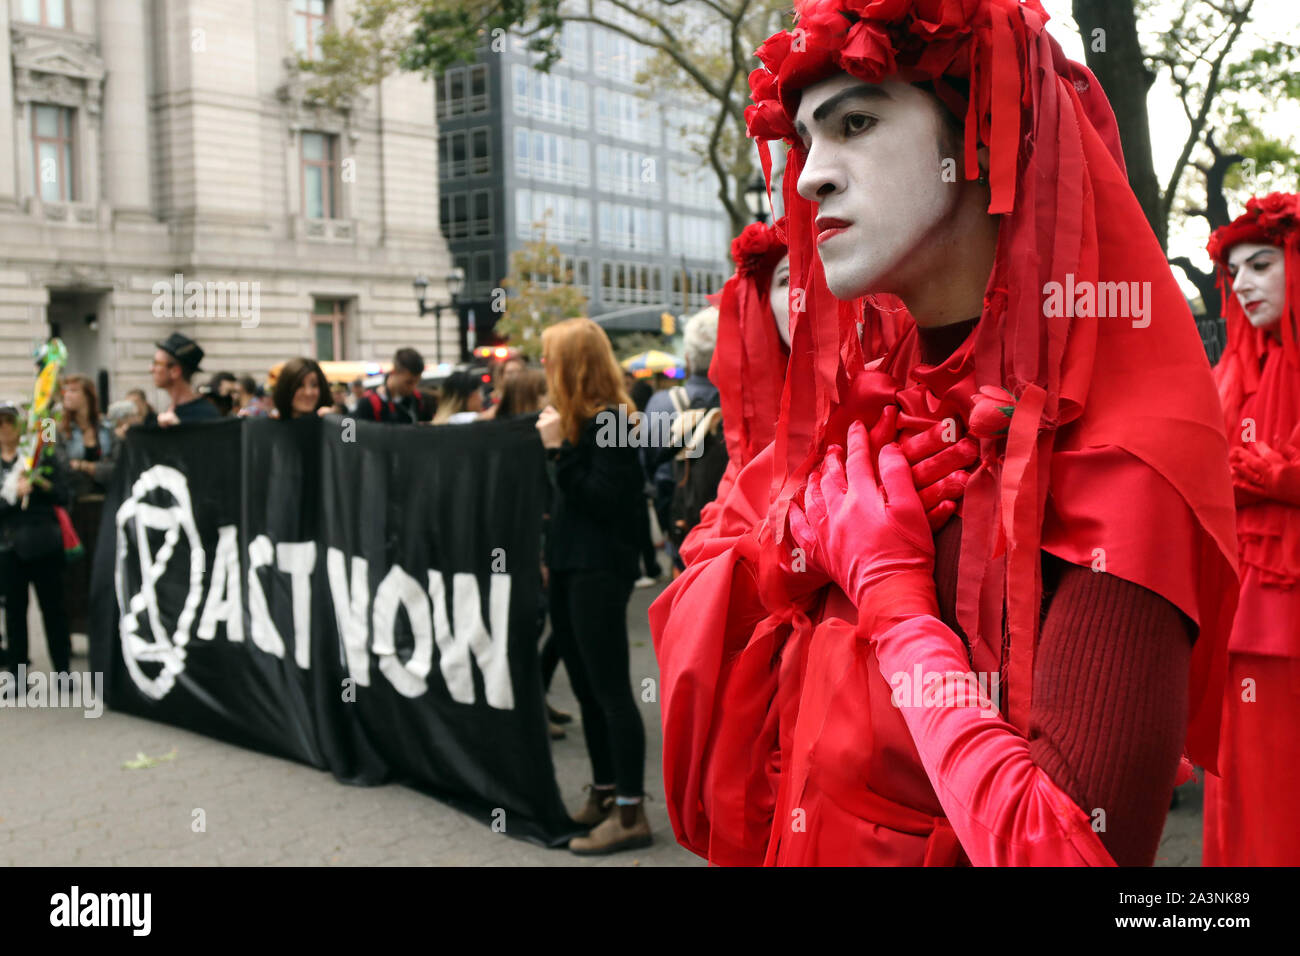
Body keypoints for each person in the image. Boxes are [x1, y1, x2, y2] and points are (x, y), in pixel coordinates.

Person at [651, 0, 1237, 867]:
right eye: (808, 139)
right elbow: (701, 608)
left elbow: (1067, 855)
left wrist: (891, 598)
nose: (812, 177)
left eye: (857, 122)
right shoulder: (868, 414)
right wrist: (801, 551)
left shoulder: (1119, 462)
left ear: (985, 141)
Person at [1202, 192, 1300, 866]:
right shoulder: (1230, 370)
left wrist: (1277, 480)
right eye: (1235, 271)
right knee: (1244, 779)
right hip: (1242, 613)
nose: (1244, 284)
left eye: (1262, 264)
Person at [535, 317, 651, 855]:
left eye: (549, 356)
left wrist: (558, 452)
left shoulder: (614, 421)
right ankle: (605, 792)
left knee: (610, 692)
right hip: (568, 564)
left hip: (600, 568)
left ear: (574, 363)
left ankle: (631, 811)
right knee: (584, 687)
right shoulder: (578, 420)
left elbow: (606, 501)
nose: (542, 366)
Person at [641, 307, 720, 572]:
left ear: (687, 358)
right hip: (732, 532)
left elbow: (647, 462)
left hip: (681, 526)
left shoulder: (661, 403)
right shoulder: (747, 404)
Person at [0, 401, 71, 676]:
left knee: (54, 610)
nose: (4, 429)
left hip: (44, 544)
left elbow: (63, 494)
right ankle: (17, 676)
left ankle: (63, 671)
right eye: (0, 423)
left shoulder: (38, 457)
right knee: (15, 614)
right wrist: (13, 496)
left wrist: (40, 484)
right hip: (8, 547)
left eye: (9, 422)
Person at [57, 375, 113, 639]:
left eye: (74, 390)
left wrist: (86, 467)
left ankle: (102, 627)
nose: (68, 395)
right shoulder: (55, 427)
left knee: (101, 570)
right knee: (73, 573)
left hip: (102, 508)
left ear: (88, 396)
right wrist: (92, 470)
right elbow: (57, 466)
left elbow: (116, 468)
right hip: (73, 508)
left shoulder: (106, 428)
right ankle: (73, 628)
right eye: (65, 391)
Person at [150, 333, 220, 426]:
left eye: (157, 363)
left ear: (175, 371)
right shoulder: (171, 409)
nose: (151, 369)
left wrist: (180, 430)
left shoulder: (205, 414)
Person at [355, 348, 431, 424]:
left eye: (417, 382)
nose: (413, 387)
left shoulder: (418, 400)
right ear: (394, 372)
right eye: (409, 382)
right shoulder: (368, 403)